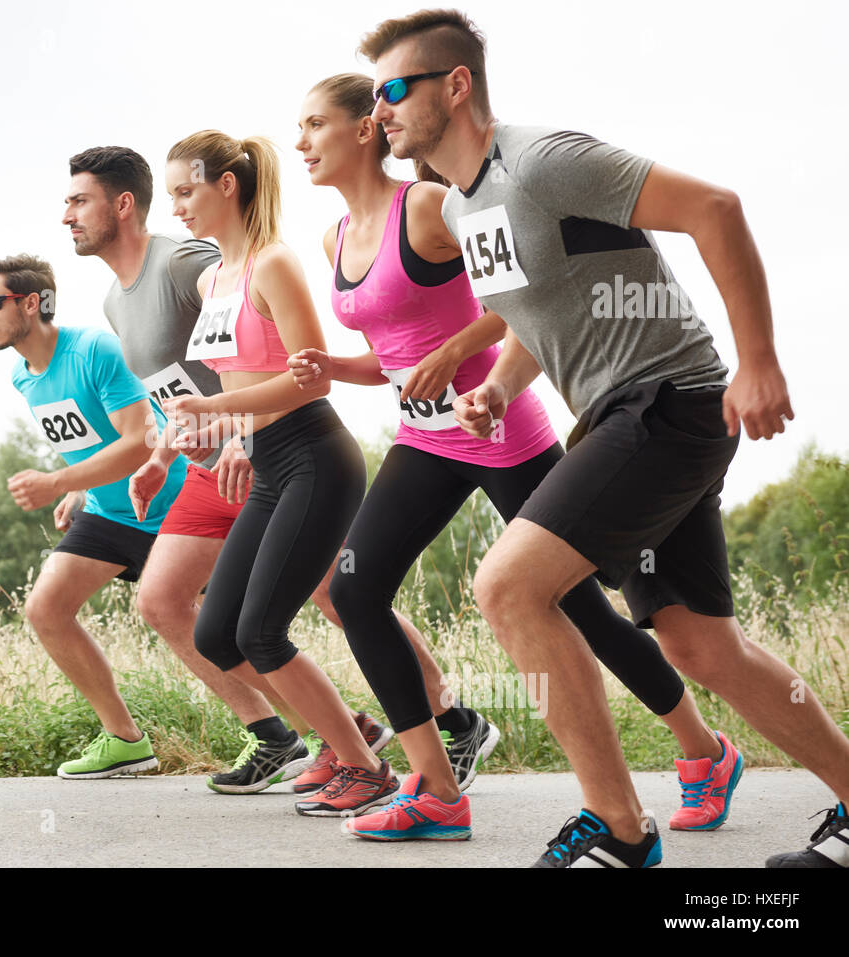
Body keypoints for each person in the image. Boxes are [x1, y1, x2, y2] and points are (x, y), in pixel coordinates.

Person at [361, 9, 849, 867]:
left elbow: (715, 207)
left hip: (670, 398)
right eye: (373, 96)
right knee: (699, 642)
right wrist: (499, 390)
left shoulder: (543, 160)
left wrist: (758, 360)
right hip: (629, 412)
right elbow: (531, 319)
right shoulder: (469, 203)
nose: (381, 112)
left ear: (457, 85)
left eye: (395, 89)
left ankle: (620, 829)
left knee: (508, 586)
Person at [289, 72, 740, 843]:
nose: (299, 143)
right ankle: (434, 788)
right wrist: (337, 368)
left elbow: (515, 306)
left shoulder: (429, 207)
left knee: (581, 607)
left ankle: (704, 751)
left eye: (313, 126)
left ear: (365, 129)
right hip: (428, 437)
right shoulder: (333, 242)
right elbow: (394, 357)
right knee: (353, 590)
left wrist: (458, 351)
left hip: (505, 433)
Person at [143, 129, 397, 816]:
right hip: (263, 463)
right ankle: (349, 738)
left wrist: (221, 409)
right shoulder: (211, 277)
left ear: (227, 185)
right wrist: (226, 435)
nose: (177, 209)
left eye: (186, 192)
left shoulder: (273, 264)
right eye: (171, 196)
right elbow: (243, 374)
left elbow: (311, 378)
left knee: (261, 629)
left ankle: (365, 766)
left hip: (315, 456)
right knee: (215, 632)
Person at [0, 252, 187, 779]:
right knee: (46, 609)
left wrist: (58, 483)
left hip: (173, 506)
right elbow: (90, 440)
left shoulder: (93, 348)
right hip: (110, 513)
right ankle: (125, 741)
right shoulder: (24, 377)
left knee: (225, 634)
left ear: (29, 303)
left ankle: (329, 732)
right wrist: (79, 487)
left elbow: (142, 440)